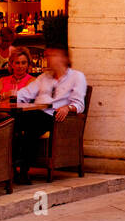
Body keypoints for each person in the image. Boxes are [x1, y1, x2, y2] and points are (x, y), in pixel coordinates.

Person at [13, 45, 87, 182]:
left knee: (31, 121)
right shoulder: (44, 77)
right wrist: (5, 98)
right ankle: (15, 168)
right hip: (36, 114)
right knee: (13, 121)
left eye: (52, 55)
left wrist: (68, 108)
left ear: (63, 58)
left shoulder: (77, 77)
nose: (48, 59)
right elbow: (25, 93)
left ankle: (21, 167)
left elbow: (79, 104)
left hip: (56, 117)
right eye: (47, 56)